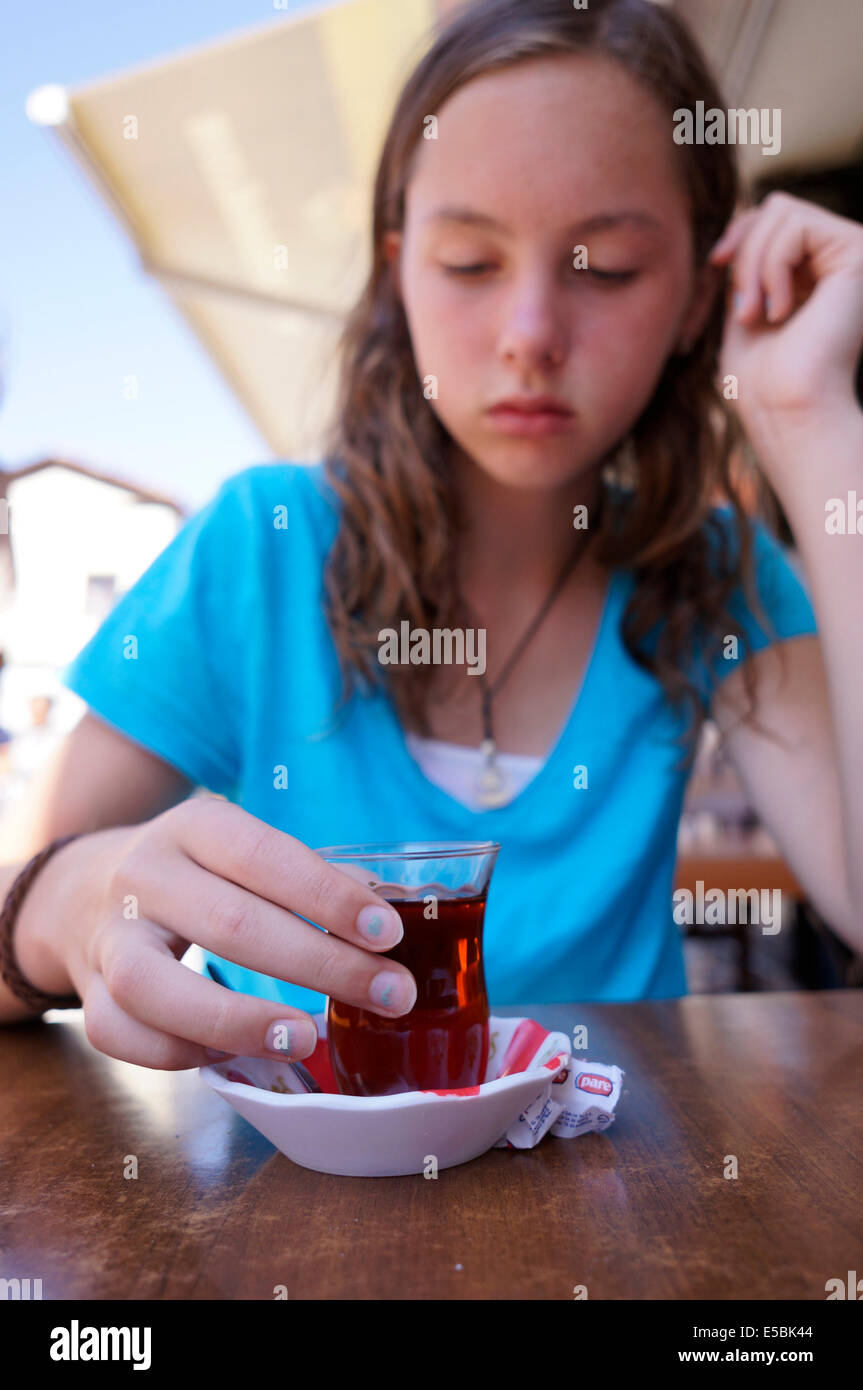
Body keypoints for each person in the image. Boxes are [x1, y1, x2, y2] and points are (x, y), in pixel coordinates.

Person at [1, 0, 862, 1073]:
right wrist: (64, 901)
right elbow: (26, 881)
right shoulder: (260, 547)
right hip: (289, 1207)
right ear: (399, 272)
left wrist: (809, 421)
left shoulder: (714, 570)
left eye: (607, 267)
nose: (529, 337)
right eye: (467, 262)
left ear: (697, 298)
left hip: (626, 1211)